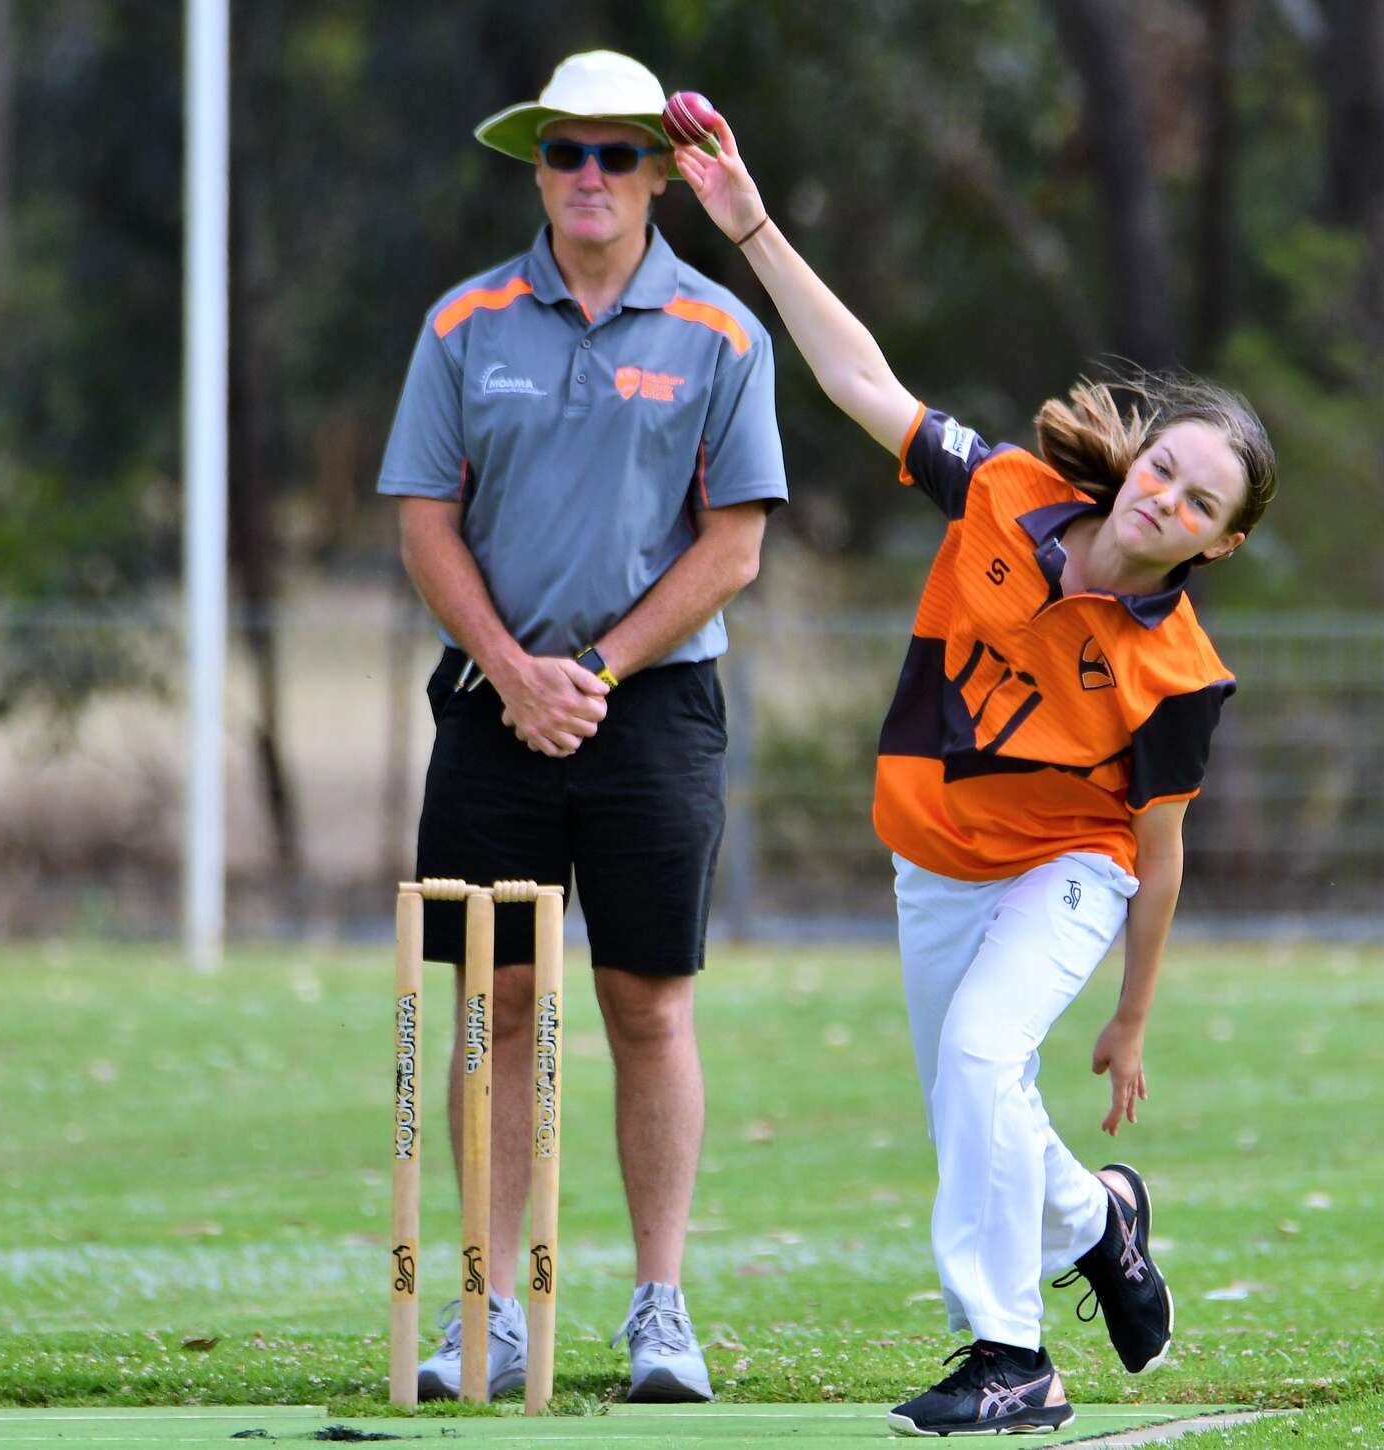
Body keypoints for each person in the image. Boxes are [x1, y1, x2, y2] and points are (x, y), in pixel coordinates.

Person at [673, 115, 1276, 1435]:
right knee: (973, 1099)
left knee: (984, 1054)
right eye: (1166, 469)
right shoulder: (1004, 489)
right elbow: (860, 376)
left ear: (1220, 544)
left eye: (1200, 505)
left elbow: (1160, 853)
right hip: (936, 860)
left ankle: (1011, 1358)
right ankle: (1102, 1223)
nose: (1166, 500)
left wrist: (1132, 1017)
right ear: (1141, 458)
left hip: (1071, 869)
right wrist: (752, 227)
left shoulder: (1180, 671)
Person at [377, 51, 787, 1404]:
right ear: (540, 169)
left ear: (660, 173)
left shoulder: (722, 332)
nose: (591, 175)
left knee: (647, 1002)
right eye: (568, 152)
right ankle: (490, 1314)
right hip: (490, 702)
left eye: (618, 153)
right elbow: (425, 521)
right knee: (495, 1001)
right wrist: (513, 670)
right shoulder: (464, 323)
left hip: (653, 706)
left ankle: (660, 1312)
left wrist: (593, 671)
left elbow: (734, 547)